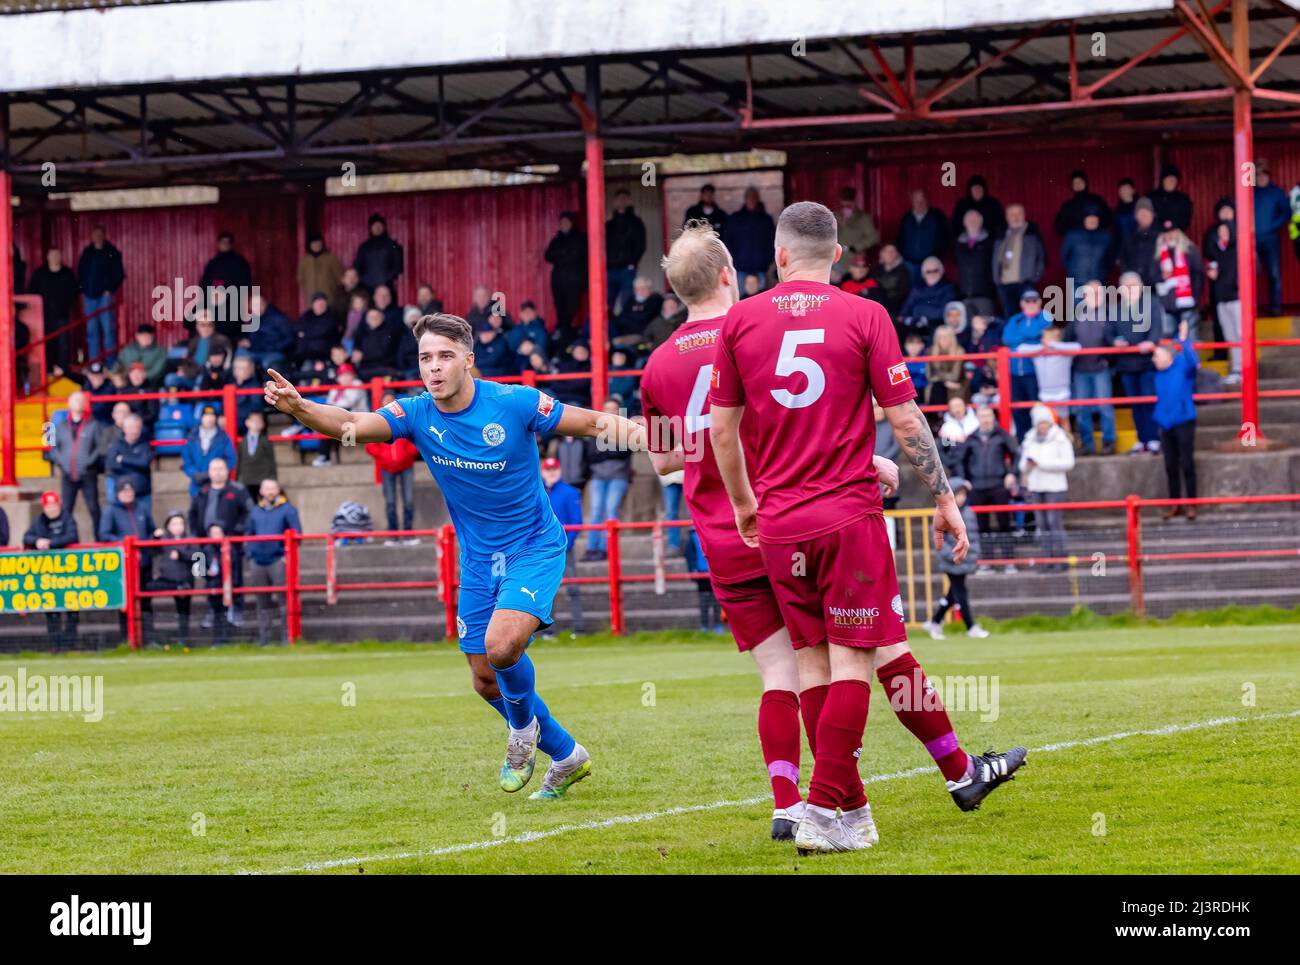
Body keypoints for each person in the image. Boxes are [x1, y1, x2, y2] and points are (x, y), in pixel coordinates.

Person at [707, 202, 1027, 853]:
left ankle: (854, 812)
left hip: (780, 524)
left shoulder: (740, 318)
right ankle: (825, 809)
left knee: (816, 664)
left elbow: (721, 427)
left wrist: (744, 502)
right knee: (861, 658)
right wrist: (943, 498)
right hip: (847, 518)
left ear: (779, 254)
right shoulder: (865, 314)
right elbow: (907, 418)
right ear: (840, 256)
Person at [263, 312, 649, 800]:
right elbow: (351, 425)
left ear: (469, 360)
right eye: (426, 358)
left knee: (502, 645)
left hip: (534, 545)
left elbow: (593, 422)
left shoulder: (514, 402)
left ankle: (521, 730)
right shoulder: (416, 413)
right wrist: (299, 407)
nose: (435, 367)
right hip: (479, 560)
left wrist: (655, 438)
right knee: (486, 680)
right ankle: (568, 755)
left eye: (445, 356)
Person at [642, 219, 904, 841]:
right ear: (730, 273)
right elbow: (794, 426)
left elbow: (663, 462)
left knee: (780, 676)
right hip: (790, 517)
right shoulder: (755, 329)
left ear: (678, 290)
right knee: (864, 653)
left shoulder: (655, 367)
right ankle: (868, 793)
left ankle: (790, 802)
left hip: (725, 534)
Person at [188, 457, 252, 630]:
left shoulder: (237, 490)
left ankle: (236, 610)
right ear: (209, 472)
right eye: (214, 469)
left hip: (230, 544)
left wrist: (235, 532)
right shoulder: (202, 492)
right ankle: (212, 610)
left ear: (227, 470)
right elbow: (192, 515)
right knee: (207, 577)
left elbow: (248, 514)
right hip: (205, 545)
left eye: (221, 468)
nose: (217, 472)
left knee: (235, 577)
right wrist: (196, 536)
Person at [921, 478, 988, 639]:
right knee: (961, 594)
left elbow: (973, 536)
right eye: (958, 494)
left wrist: (972, 554)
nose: (961, 498)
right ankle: (970, 626)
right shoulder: (943, 513)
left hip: (964, 559)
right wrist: (951, 554)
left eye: (963, 494)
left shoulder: (968, 512)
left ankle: (935, 622)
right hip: (952, 560)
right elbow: (939, 538)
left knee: (953, 594)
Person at [957, 405, 1019, 573]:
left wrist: (1012, 474)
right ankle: (986, 561)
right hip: (977, 487)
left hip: (999, 485)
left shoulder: (1002, 435)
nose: (986, 419)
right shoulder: (971, 438)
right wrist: (965, 481)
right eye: (982, 416)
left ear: (993, 417)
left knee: (1004, 524)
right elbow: (961, 460)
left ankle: (1009, 561)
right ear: (977, 418)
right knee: (981, 527)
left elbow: (1017, 453)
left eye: (989, 415)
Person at [1109, 272, 1163, 454]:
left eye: (1134, 285)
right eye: (1127, 286)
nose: (1131, 289)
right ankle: (1141, 439)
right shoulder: (1115, 309)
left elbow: (1157, 328)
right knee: (1135, 405)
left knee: (1149, 401)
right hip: (1125, 364)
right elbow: (1109, 332)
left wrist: (1151, 342)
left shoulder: (1151, 304)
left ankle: (1154, 439)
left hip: (1146, 362)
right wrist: (1114, 342)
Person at [245, 478, 302, 646]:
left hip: (277, 559)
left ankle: (288, 636)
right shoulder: (255, 511)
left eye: (273, 488)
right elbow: (249, 534)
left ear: (278, 490)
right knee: (262, 601)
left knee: (284, 600)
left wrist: (285, 556)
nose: (270, 492)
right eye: (267, 489)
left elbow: (296, 534)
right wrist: (251, 554)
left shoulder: (288, 510)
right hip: (258, 560)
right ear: (261, 491)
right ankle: (264, 637)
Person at [1152, 319, 1200, 520]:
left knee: (1187, 464)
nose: (1154, 359)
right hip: (1165, 423)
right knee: (1170, 465)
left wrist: (1184, 340)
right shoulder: (1158, 373)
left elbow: (1193, 362)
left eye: (1157, 355)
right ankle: (1175, 504)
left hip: (1183, 421)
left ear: (1168, 357)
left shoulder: (1182, 368)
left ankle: (1191, 504)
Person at [97, 479, 155, 641]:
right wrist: (126, 543)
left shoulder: (141, 509)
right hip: (124, 566)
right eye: (124, 491)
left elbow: (151, 529)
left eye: (130, 491)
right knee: (126, 603)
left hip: (143, 563)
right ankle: (128, 638)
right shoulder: (111, 511)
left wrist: (153, 538)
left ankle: (148, 637)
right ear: (117, 493)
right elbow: (104, 535)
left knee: (145, 601)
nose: (128, 494)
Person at [1064, 281, 1117, 455]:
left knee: (1105, 408)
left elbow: (1115, 340)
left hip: (1101, 367)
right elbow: (1067, 339)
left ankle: (1109, 443)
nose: (1095, 297)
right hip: (1080, 369)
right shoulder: (1076, 315)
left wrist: (1108, 360)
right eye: (1091, 294)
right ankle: (1087, 444)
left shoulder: (1110, 314)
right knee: (1081, 409)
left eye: (1098, 293)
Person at [1019, 404, 1074, 570]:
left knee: (1054, 522)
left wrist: (1041, 464)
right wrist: (1028, 465)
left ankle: (1060, 558)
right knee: (1041, 523)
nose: (1042, 426)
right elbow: (1022, 464)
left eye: (1045, 423)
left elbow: (1068, 463)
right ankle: (1047, 559)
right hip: (1036, 486)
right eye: (1039, 423)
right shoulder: (1029, 439)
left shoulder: (1060, 438)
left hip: (1055, 487)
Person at [23, 492, 80, 648]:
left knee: (72, 608)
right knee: (51, 609)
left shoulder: (67, 519)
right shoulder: (39, 521)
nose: (52, 509)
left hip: (68, 573)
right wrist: (37, 541)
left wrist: (52, 543)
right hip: (49, 574)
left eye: (54, 505)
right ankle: (55, 644)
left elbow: (72, 536)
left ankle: (70, 644)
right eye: (48, 506)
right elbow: (26, 537)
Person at [47, 390, 109, 533]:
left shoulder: (93, 424)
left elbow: (100, 446)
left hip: (88, 473)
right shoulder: (60, 425)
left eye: (82, 401)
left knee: (93, 507)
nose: (79, 403)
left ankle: (100, 540)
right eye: (76, 400)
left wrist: (89, 461)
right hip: (67, 473)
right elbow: (52, 447)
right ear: (69, 403)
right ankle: (66, 538)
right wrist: (61, 461)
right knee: (66, 508)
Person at [582, 397, 633, 561]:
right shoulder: (595, 428)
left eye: (614, 408)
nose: (611, 411)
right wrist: (610, 453)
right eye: (608, 408)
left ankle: (606, 548)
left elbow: (624, 452)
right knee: (596, 511)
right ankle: (591, 548)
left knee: (611, 510)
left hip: (618, 476)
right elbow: (591, 455)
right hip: (598, 476)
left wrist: (603, 453)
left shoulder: (626, 429)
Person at [365, 395, 420, 543]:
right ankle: (393, 535)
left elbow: (416, 437)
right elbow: (369, 444)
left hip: (406, 465)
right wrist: (382, 456)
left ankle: (408, 534)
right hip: (387, 467)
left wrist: (408, 454)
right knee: (390, 503)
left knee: (408, 501)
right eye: (385, 402)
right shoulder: (376, 420)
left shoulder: (405, 418)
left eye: (390, 401)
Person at [540, 456, 584, 637]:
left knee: (572, 588)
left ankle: (579, 628)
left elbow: (577, 522)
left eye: (554, 470)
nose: (551, 474)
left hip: (564, 548)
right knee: (545, 591)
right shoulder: (537, 492)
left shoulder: (570, 492)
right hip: (542, 550)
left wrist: (568, 544)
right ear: (542, 472)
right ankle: (548, 631)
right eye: (548, 470)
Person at [1001, 289, 1052, 438]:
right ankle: (1023, 440)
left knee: (1036, 407)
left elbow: (1045, 332)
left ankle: (1038, 438)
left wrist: (1022, 337)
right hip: (1014, 371)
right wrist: (1031, 337)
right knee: (1017, 408)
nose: (1030, 304)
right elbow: (1007, 338)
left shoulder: (1045, 316)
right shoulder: (1015, 319)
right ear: (1022, 303)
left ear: (1039, 302)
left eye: (1034, 300)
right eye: (1027, 301)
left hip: (1034, 372)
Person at [76, 225, 125, 366]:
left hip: (105, 296)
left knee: (108, 330)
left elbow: (119, 274)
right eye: (95, 234)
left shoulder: (112, 252)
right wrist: (84, 291)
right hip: (89, 297)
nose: (97, 237)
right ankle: (95, 364)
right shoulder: (87, 253)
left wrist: (109, 289)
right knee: (92, 332)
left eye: (99, 234)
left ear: (104, 235)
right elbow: (81, 272)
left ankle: (111, 364)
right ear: (92, 237)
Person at [28, 247, 80, 375]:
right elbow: (31, 292)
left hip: (62, 315)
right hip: (44, 317)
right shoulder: (40, 273)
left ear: (61, 257)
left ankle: (63, 371)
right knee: (47, 344)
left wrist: (66, 305)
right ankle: (49, 371)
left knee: (64, 345)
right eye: (53, 255)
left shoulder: (67, 273)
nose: (55, 257)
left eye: (57, 255)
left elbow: (75, 292)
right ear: (47, 257)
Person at [147, 512, 197, 644]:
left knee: (183, 610)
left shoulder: (190, 539)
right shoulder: (163, 540)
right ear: (167, 526)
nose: (178, 527)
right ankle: (150, 636)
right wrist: (154, 538)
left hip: (185, 579)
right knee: (147, 589)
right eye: (174, 524)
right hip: (167, 579)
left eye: (180, 523)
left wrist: (181, 555)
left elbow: (197, 557)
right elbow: (151, 551)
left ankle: (184, 638)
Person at [1206, 219, 1242, 385]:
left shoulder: (1240, 250)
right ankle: (1236, 369)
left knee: (1240, 335)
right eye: (1220, 233)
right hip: (1221, 299)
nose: (1222, 235)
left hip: (1236, 299)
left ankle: (1243, 369)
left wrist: (1236, 286)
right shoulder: (1217, 252)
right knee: (1230, 336)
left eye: (1225, 232)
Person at [992, 203, 1045, 316]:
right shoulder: (1001, 234)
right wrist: (997, 280)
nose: (1015, 217)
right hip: (1005, 284)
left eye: (1018, 213)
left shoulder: (1032, 233)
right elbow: (995, 259)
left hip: (1025, 283)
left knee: (1028, 316)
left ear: (1024, 215)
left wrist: (1033, 277)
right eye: (1011, 214)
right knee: (1010, 317)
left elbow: (1041, 258)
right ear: (1006, 217)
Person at [721, 187, 776, 293]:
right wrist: (734, 261)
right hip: (740, 269)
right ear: (745, 199)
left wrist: (766, 262)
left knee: (760, 302)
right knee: (740, 301)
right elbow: (728, 242)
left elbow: (772, 242)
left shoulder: (765, 220)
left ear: (758, 199)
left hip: (760, 269)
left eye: (754, 198)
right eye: (750, 197)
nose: (752, 200)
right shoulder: (735, 219)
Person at [199, 232, 253, 340]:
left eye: (227, 242)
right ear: (218, 244)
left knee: (234, 333)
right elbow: (204, 285)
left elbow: (246, 283)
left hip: (234, 305)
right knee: (216, 334)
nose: (225, 245)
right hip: (215, 305)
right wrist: (206, 303)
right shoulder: (213, 263)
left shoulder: (239, 262)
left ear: (231, 244)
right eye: (222, 242)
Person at [1253, 160, 1289, 317]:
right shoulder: (1249, 192)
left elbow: (1286, 213)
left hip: (1271, 240)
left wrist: (1273, 226)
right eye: (1258, 174)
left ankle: (1276, 310)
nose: (1261, 177)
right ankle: (1251, 311)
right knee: (1250, 276)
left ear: (1268, 176)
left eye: (1263, 174)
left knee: (1274, 274)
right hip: (1252, 241)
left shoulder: (1277, 192)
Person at [1155, 222, 1203, 338]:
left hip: (1187, 304)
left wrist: (1195, 298)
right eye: (1166, 233)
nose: (1169, 236)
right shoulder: (1158, 254)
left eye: (1172, 232)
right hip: (1167, 305)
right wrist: (1162, 277)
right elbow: (1151, 277)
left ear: (1178, 233)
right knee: (1168, 340)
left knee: (1189, 339)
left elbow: (1199, 275)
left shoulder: (1190, 250)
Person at [543, 211, 587, 335]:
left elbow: (580, 257)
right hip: (558, 279)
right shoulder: (556, 240)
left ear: (572, 223)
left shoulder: (580, 238)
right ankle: (562, 329)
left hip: (574, 280)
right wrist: (564, 255)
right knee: (559, 305)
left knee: (571, 307)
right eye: (561, 222)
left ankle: (565, 329)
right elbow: (547, 256)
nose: (564, 225)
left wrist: (562, 256)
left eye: (566, 222)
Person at [181, 405, 238, 496]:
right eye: (206, 416)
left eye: (212, 416)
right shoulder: (191, 437)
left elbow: (231, 459)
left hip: (218, 485)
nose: (209, 419)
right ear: (201, 418)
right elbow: (186, 461)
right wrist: (195, 474)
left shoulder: (223, 437)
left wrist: (217, 473)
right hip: (197, 485)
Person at [104, 413, 153, 518]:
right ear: (124, 428)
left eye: (137, 427)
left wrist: (123, 459)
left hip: (142, 492)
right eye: (131, 427)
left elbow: (144, 463)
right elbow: (110, 464)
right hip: (121, 494)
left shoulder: (145, 444)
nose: (134, 431)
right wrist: (135, 463)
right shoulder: (116, 444)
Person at [606, 190, 646, 314]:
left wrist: (632, 263)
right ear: (614, 202)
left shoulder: (636, 222)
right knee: (607, 303)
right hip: (610, 269)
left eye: (624, 198)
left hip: (627, 269)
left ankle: (626, 331)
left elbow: (641, 245)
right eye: (619, 198)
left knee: (627, 302)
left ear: (629, 201)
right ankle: (608, 332)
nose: (622, 201)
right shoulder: (609, 225)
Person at [898, 256, 956, 338]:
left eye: (935, 270)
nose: (932, 274)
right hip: (916, 325)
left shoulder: (948, 287)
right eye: (928, 271)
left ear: (941, 271)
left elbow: (945, 311)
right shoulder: (917, 288)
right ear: (924, 273)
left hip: (938, 326)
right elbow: (904, 312)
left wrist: (919, 310)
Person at [896, 188, 948, 279]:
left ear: (927, 201)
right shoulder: (906, 217)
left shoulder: (937, 216)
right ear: (912, 202)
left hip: (930, 263)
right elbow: (900, 238)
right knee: (912, 291)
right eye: (916, 200)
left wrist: (937, 257)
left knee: (930, 290)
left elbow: (945, 238)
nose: (919, 203)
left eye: (922, 200)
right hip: (909, 263)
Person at [953, 209, 996, 314]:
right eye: (969, 220)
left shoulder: (990, 242)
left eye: (975, 220)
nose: (972, 222)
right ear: (964, 223)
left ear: (981, 222)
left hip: (984, 294)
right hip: (965, 294)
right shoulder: (959, 243)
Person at [240, 293, 295, 372]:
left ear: (264, 304)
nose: (257, 307)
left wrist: (275, 347)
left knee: (267, 364)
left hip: (274, 352)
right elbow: (249, 338)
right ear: (250, 307)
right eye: (254, 305)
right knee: (240, 358)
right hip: (255, 352)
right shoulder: (251, 320)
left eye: (259, 304)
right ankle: (247, 384)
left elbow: (290, 339)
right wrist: (245, 341)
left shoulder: (278, 318)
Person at [833, 186, 880, 275]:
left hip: (855, 261)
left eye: (849, 205)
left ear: (854, 201)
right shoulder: (835, 215)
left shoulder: (864, 218)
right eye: (843, 204)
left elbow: (874, 237)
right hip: (837, 260)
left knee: (854, 287)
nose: (846, 207)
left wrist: (855, 247)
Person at [353, 213, 404, 295]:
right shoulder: (363, 247)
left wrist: (386, 278)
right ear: (370, 228)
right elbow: (357, 266)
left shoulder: (393, 245)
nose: (377, 228)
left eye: (379, 225)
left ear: (384, 227)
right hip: (367, 288)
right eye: (374, 226)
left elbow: (398, 265)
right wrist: (365, 280)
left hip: (387, 286)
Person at [1061, 210, 1111, 289]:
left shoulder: (1106, 237)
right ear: (1084, 219)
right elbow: (1064, 258)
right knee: (1076, 301)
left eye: (1095, 219)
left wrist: (1102, 273)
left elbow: (1109, 259)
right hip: (1077, 282)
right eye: (1089, 218)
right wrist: (1074, 273)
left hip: (1098, 282)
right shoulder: (1072, 236)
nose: (1092, 221)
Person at [1118, 197, 1160, 286]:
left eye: (1147, 211)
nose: (1144, 214)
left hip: (1155, 287)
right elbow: (1123, 259)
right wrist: (1129, 278)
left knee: (1149, 300)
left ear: (1153, 214)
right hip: (1134, 287)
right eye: (1140, 211)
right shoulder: (1128, 235)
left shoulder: (1161, 235)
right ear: (1135, 215)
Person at [297, 231, 344, 312]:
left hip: (329, 298)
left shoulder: (331, 258)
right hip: (311, 299)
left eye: (318, 242)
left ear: (322, 243)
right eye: (313, 243)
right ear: (309, 245)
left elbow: (340, 278)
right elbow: (300, 278)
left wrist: (333, 290)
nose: (316, 245)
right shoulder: (304, 260)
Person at [1053, 170, 1110, 236]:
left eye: (1080, 181)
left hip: (1096, 239)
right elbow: (1058, 226)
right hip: (1077, 242)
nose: (1078, 184)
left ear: (1085, 183)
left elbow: (1108, 218)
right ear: (1072, 186)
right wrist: (1072, 235)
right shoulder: (1068, 205)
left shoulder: (1097, 200)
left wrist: (1097, 229)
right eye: (1075, 183)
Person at [951, 174, 1005, 241]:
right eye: (974, 188)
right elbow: (955, 226)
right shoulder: (962, 205)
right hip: (966, 242)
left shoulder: (993, 204)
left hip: (989, 242)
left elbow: (1000, 225)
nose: (977, 191)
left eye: (979, 188)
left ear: (984, 190)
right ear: (970, 191)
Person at [866, 243, 911, 321]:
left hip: (893, 310)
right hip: (876, 307)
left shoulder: (903, 271)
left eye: (892, 251)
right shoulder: (876, 269)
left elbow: (904, 294)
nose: (889, 254)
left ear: (897, 253)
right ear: (881, 253)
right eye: (886, 251)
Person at [236, 409, 277, 495]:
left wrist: (273, 479)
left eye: (259, 420)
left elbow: (271, 462)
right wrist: (237, 478)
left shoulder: (266, 442)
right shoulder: (242, 442)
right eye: (253, 420)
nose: (256, 423)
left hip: (262, 478)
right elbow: (238, 461)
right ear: (247, 422)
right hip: (246, 478)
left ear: (263, 424)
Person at [1148, 164, 1193, 233]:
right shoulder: (1151, 198)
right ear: (1163, 180)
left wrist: (1174, 226)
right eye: (1169, 179)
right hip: (1155, 235)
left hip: (1176, 235)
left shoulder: (1183, 199)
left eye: (1174, 179)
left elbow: (1186, 220)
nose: (1171, 182)